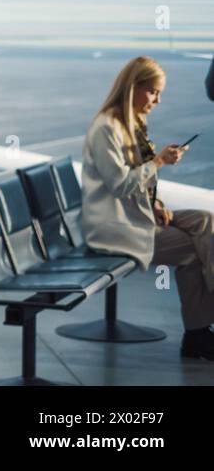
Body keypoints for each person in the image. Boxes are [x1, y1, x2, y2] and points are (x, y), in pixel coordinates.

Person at [81, 55, 214, 360]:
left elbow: (136, 182)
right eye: (153, 91)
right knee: (195, 251)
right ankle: (197, 335)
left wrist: (157, 205)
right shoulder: (108, 129)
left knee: (205, 221)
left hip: (135, 215)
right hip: (113, 229)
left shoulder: (133, 124)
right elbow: (119, 185)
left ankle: (199, 333)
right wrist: (159, 161)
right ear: (133, 87)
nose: (157, 100)